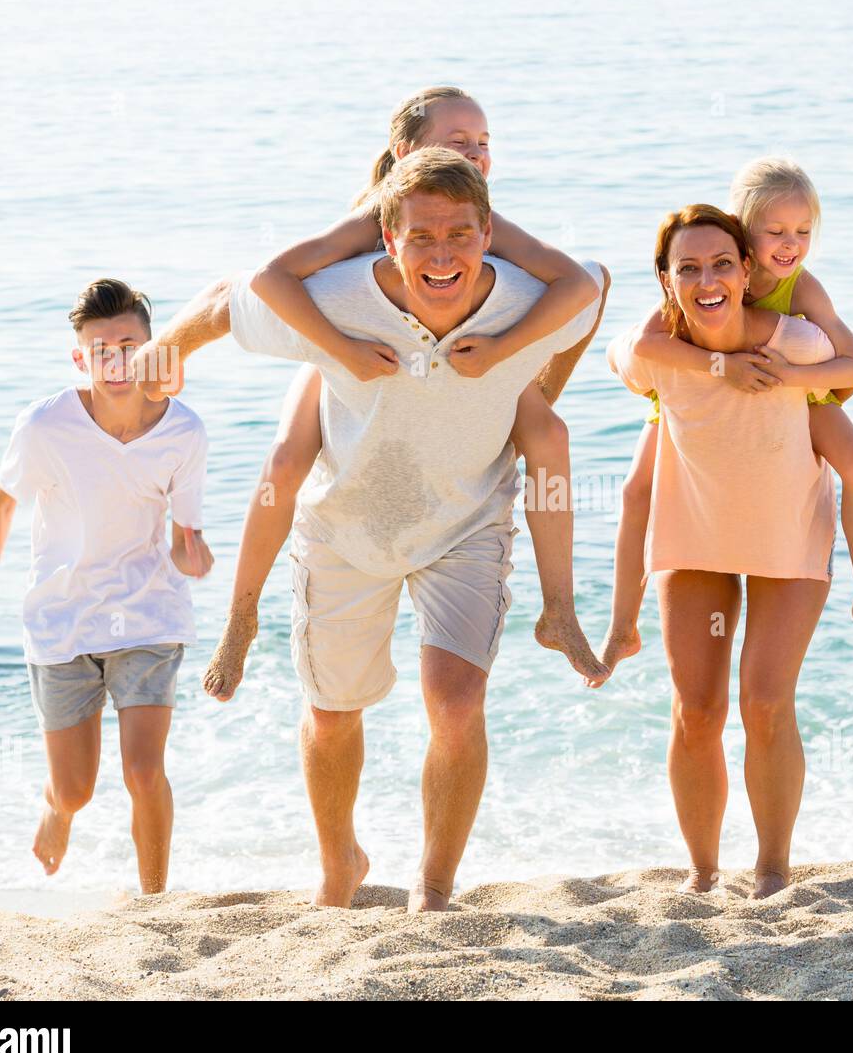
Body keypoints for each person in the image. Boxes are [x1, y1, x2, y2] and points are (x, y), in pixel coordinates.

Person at [134, 148, 604, 911]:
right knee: (331, 713)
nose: (442, 253)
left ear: (490, 232)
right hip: (347, 527)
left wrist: (518, 363)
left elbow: (592, 290)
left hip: (465, 524)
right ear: (388, 238)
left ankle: (436, 884)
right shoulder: (335, 298)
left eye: (460, 233)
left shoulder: (526, 299)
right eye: (421, 236)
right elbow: (238, 294)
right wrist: (169, 350)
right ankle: (338, 860)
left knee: (456, 703)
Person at [202, 86, 608, 702]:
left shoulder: (483, 222)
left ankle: (559, 612)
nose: (473, 155)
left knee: (549, 435)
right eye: (456, 142)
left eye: (483, 144)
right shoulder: (374, 217)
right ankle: (241, 615)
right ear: (403, 154)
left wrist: (511, 358)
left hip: (477, 365)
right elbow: (262, 280)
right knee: (286, 462)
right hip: (346, 360)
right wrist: (340, 350)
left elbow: (583, 284)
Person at [608, 205, 853, 897]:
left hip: (787, 532)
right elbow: (623, 353)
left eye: (721, 263)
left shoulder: (795, 341)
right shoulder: (661, 350)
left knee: (765, 701)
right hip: (695, 534)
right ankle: (700, 871)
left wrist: (782, 376)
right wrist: (714, 362)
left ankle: (773, 868)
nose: (707, 279)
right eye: (687, 268)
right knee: (696, 709)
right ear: (665, 281)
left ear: (747, 269)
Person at [595, 156, 853, 687]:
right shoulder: (700, 273)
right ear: (743, 235)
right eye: (776, 231)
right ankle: (623, 625)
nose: (791, 244)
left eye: (804, 232)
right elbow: (643, 344)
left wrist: (786, 376)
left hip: (798, 391)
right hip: (702, 394)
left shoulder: (802, 288)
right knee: (633, 490)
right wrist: (724, 366)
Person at [0, 279, 213, 893]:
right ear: (81, 358)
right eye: (100, 349)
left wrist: (194, 554)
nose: (116, 360)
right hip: (62, 620)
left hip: (150, 617)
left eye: (129, 345)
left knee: (142, 770)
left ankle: (155, 899)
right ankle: (57, 807)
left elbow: (186, 537)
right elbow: (0, 505)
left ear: (154, 350)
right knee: (75, 788)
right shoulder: (46, 425)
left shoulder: (184, 432)